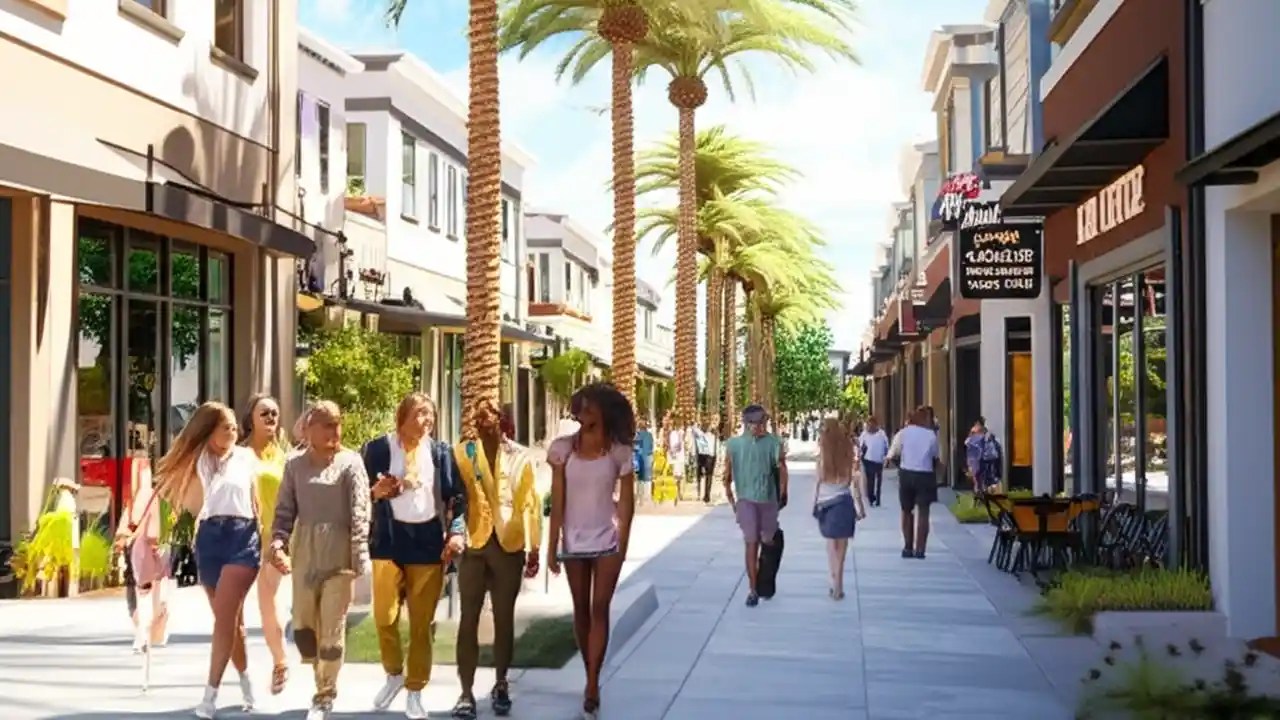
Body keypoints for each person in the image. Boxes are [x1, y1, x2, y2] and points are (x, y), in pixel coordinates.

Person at [363, 393, 468, 718]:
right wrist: (373, 492)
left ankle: (415, 689)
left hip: (426, 543)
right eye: (421, 414)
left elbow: (457, 497)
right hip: (388, 542)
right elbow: (358, 491)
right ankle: (394, 672)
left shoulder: (439, 452)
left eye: (430, 416)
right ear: (402, 417)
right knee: (384, 616)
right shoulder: (377, 449)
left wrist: (456, 532)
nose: (427, 422)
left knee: (422, 624)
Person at [153, 402, 259, 719]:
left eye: (233, 427)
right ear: (209, 430)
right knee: (232, 623)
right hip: (210, 539)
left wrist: (266, 540)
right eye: (224, 426)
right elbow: (175, 497)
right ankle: (246, 680)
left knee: (224, 618)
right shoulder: (196, 460)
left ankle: (209, 696)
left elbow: (253, 500)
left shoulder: (246, 457)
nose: (231, 431)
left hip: (243, 536)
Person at [269, 401, 372, 720]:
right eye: (327, 424)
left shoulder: (350, 462)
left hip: (340, 554)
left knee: (332, 630)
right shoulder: (295, 465)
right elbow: (285, 510)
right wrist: (277, 542)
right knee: (303, 630)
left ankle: (325, 692)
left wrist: (360, 554)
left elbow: (360, 509)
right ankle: (319, 676)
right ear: (308, 428)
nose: (334, 430)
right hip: (306, 553)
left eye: (337, 423)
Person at [546, 383, 637, 719]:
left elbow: (627, 504)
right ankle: (590, 669)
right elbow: (557, 502)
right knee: (580, 609)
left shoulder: (619, 453)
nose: (582, 414)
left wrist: (623, 543)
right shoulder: (563, 450)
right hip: (573, 539)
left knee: (600, 608)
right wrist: (551, 545)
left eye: (589, 408)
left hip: (608, 540)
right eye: (580, 408)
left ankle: (593, 683)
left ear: (604, 411)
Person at [451, 398, 542, 719]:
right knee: (468, 619)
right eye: (478, 420)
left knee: (504, 618)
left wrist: (535, 547)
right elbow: (455, 496)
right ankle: (465, 693)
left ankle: (501, 683)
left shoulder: (520, 456)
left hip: (509, 544)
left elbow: (531, 502)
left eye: (489, 419)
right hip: (474, 545)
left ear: (501, 422)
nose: (482, 424)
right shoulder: (464, 452)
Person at [240, 394, 290, 695]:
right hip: (242, 536)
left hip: (276, 539)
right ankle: (240, 671)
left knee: (268, 600)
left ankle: (280, 661)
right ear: (251, 420)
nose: (271, 418)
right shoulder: (240, 455)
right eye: (264, 413)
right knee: (235, 611)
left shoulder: (284, 456)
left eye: (274, 413)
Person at [722, 404, 788, 607]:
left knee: (768, 541)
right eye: (755, 423)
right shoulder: (733, 445)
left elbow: (782, 469)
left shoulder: (774, 443)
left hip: (768, 501)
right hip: (746, 501)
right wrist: (732, 500)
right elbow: (726, 475)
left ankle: (765, 580)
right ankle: (753, 589)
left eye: (762, 422)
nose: (760, 426)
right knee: (751, 543)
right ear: (746, 424)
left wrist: (783, 493)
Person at [114, 463, 173, 653]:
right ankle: (153, 632)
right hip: (160, 548)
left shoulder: (140, 497)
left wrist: (124, 536)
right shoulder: (164, 498)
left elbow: (131, 522)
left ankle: (142, 635)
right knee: (157, 592)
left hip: (141, 548)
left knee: (141, 592)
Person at [811, 418, 866, 600]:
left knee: (831, 545)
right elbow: (855, 483)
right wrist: (860, 507)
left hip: (826, 505)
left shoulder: (822, 455)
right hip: (844, 502)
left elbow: (818, 482)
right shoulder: (848, 452)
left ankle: (833, 579)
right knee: (842, 548)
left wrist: (814, 504)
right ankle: (838, 583)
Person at [888, 407, 941, 559]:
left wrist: (901, 467)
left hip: (906, 473)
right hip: (925, 474)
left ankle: (907, 546)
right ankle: (920, 549)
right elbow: (936, 456)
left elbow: (893, 455)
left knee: (906, 511)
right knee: (923, 512)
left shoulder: (902, 434)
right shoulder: (931, 435)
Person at [965, 417, 1003, 494]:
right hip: (979, 458)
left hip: (982, 458)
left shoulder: (984, 434)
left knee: (981, 476)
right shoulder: (976, 433)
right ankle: (980, 491)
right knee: (978, 476)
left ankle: (981, 491)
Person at [858, 417, 890, 507]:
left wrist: (886, 457)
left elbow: (886, 446)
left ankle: (878, 499)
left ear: (876, 424)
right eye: (868, 424)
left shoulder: (881, 434)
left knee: (878, 480)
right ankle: (871, 497)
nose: (870, 426)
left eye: (872, 424)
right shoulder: (864, 434)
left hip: (879, 460)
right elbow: (860, 446)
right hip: (868, 459)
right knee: (870, 480)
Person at [693, 420, 719, 504]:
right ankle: (707, 495)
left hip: (703, 456)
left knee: (701, 475)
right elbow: (717, 448)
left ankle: (700, 493)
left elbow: (699, 447)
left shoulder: (702, 436)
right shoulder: (714, 437)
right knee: (709, 476)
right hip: (712, 457)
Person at [634, 418, 655, 505]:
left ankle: (640, 498)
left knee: (640, 479)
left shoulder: (637, 436)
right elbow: (651, 446)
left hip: (639, 458)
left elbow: (635, 448)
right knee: (648, 478)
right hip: (648, 457)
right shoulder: (650, 435)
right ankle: (648, 497)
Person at [665, 415, 688, 486]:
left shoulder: (681, 432)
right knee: (675, 475)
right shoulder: (672, 433)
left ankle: (679, 492)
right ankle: (676, 492)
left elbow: (684, 444)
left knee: (679, 475)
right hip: (675, 456)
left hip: (679, 456)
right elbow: (670, 445)